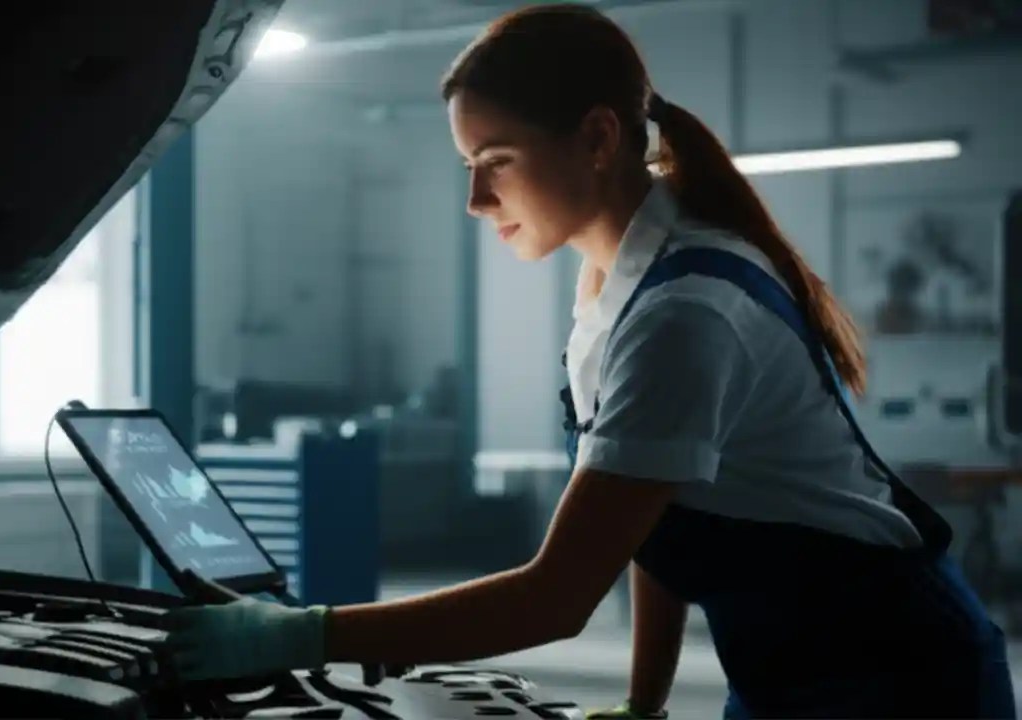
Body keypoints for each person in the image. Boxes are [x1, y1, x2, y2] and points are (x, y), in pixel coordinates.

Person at [166, 4, 1016, 717]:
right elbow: (654, 521)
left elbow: (558, 597)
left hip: (902, 676)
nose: (474, 201)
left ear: (599, 138)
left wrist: (303, 632)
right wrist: (644, 708)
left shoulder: (685, 312)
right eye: (469, 167)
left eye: (495, 162)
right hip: (795, 670)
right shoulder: (610, 287)